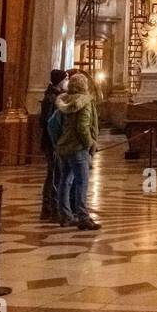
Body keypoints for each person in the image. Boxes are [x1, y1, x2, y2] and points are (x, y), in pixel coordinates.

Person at [55, 71, 101, 230]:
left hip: (64, 145)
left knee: (65, 181)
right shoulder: (85, 101)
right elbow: (83, 127)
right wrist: (90, 143)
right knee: (82, 182)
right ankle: (83, 217)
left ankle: (65, 215)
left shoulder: (64, 100)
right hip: (78, 148)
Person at [39, 68, 68, 221]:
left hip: (54, 143)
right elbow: (48, 122)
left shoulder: (55, 96)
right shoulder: (52, 98)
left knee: (55, 175)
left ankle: (51, 207)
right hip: (52, 144)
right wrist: (56, 142)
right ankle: (49, 208)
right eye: (66, 79)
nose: (67, 82)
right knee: (54, 175)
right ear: (60, 81)